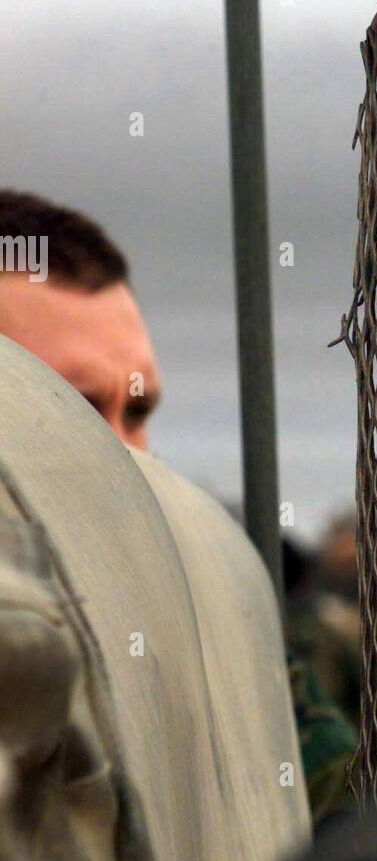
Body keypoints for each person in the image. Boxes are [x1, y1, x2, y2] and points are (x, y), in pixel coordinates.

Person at [0, 188, 356, 823]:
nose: (123, 454)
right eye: (69, 410)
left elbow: (343, 827)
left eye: (136, 412)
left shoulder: (208, 633)